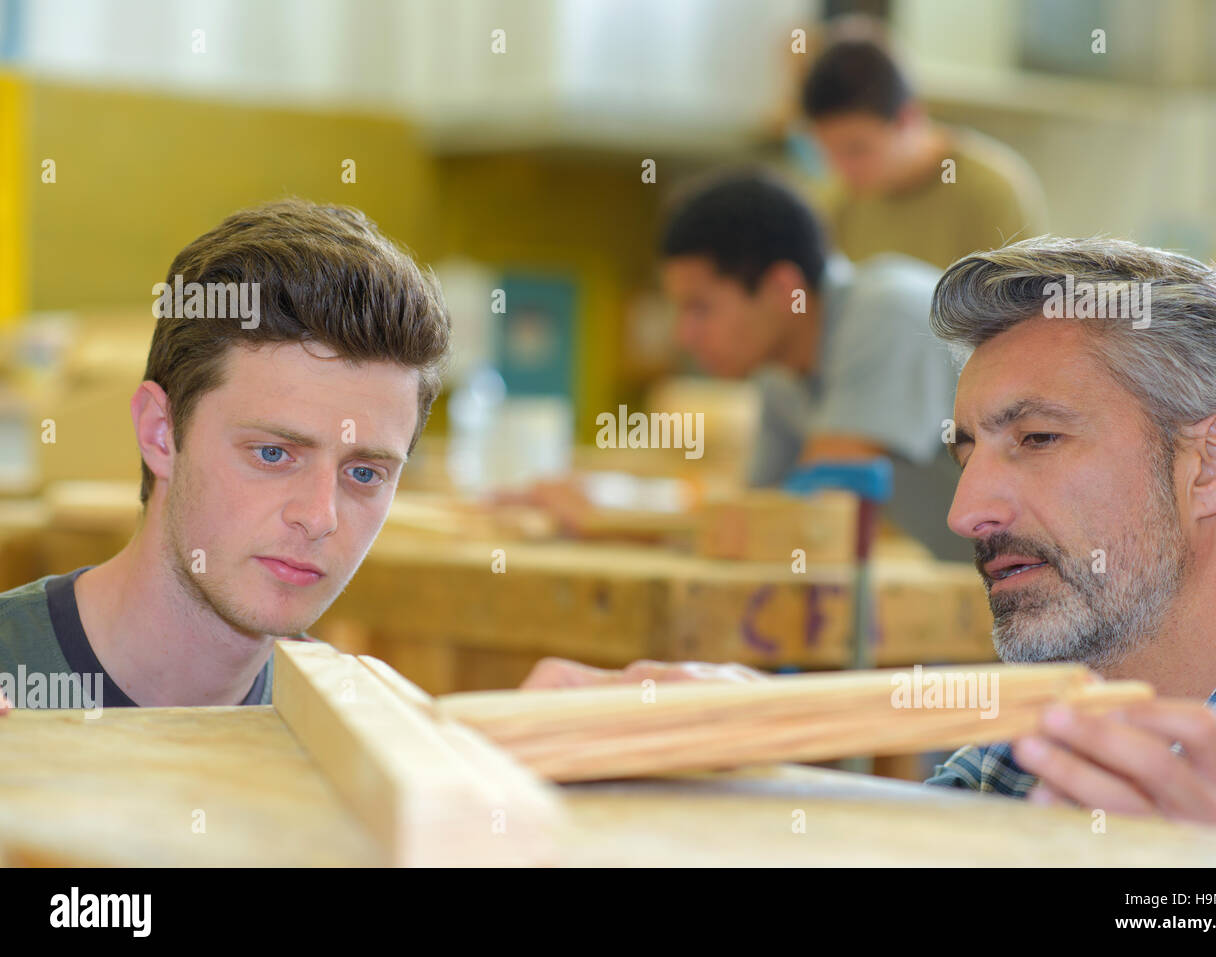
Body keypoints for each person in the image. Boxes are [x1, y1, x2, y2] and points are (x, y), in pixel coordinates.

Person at [0, 199, 749, 711]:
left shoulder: (349, 725)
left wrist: (481, 766)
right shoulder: (15, 682)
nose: (320, 516)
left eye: (364, 472)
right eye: (272, 452)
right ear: (162, 433)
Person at [923, 236, 1216, 834]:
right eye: (966, 455)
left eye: (1038, 438)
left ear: (1215, 462)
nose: (966, 514)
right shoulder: (1016, 764)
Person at [659, 171, 966, 561]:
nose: (683, 335)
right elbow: (765, 508)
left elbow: (812, 505)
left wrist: (647, 524)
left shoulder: (888, 313)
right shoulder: (780, 377)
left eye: (699, 308)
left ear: (783, 289)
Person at [801, 20, 1047, 269]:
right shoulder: (836, 203)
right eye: (826, 151)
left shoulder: (994, 193)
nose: (841, 169)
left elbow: (1025, 305)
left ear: (907, 119)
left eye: (856, 149)